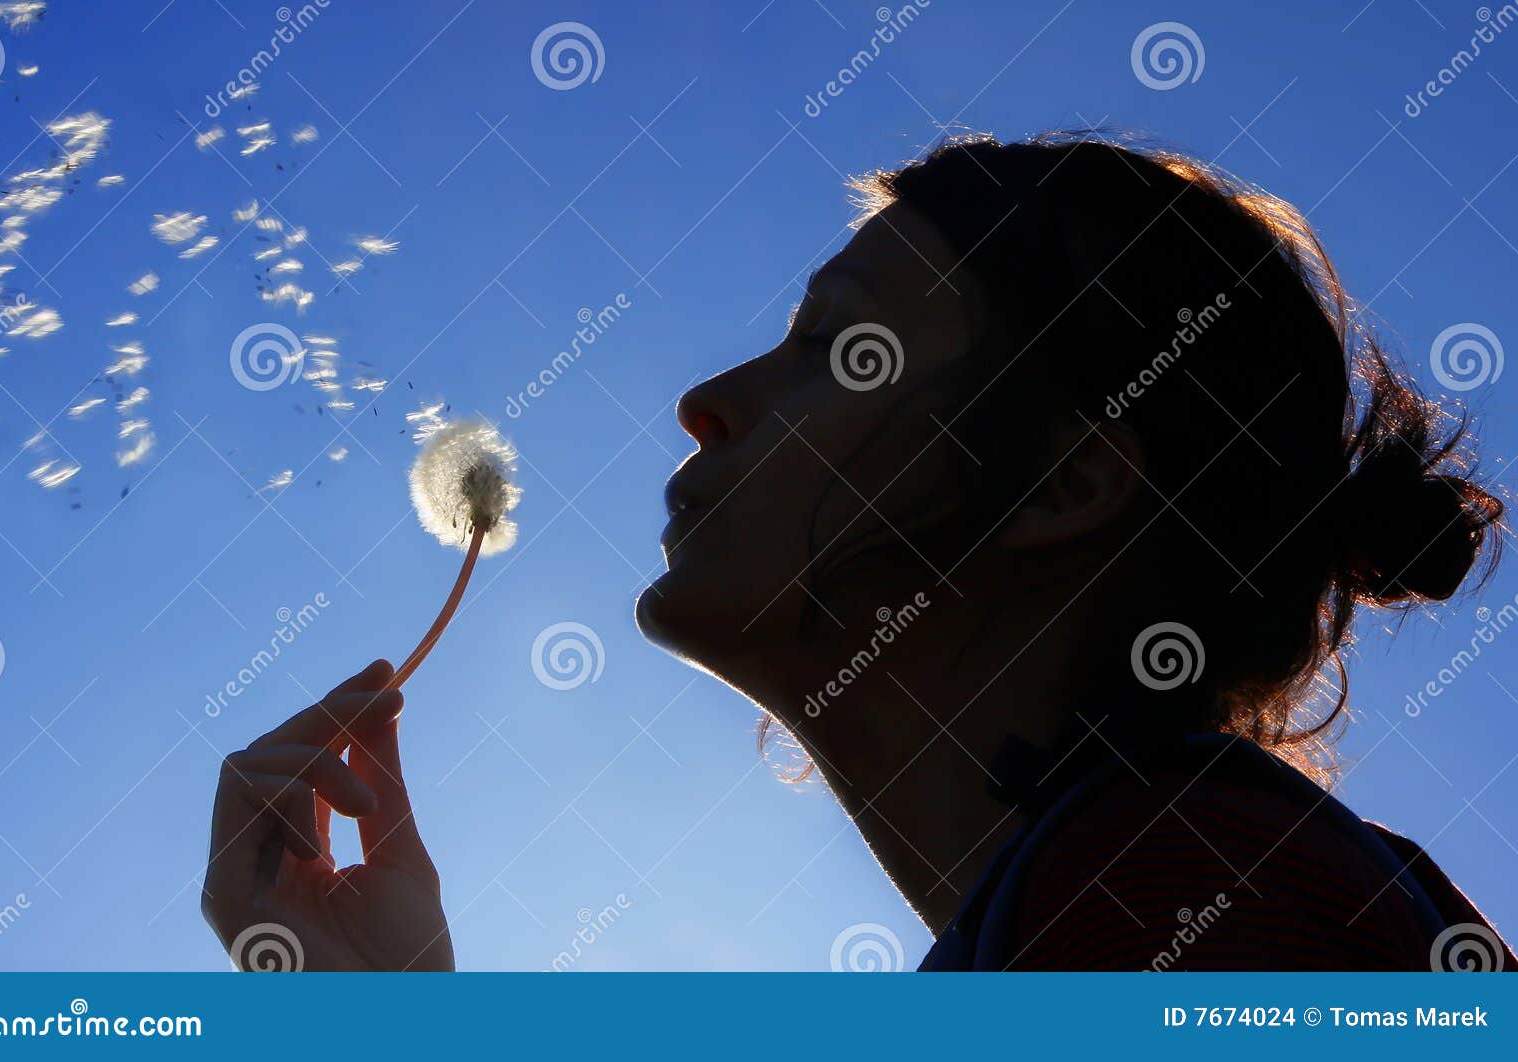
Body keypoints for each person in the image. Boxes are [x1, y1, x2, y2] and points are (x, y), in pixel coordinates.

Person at [202, 132, 1512, 971]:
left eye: (844, 346)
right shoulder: (1125, 894)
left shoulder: (1195, 900)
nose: (707, 397)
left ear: (1067, 479)